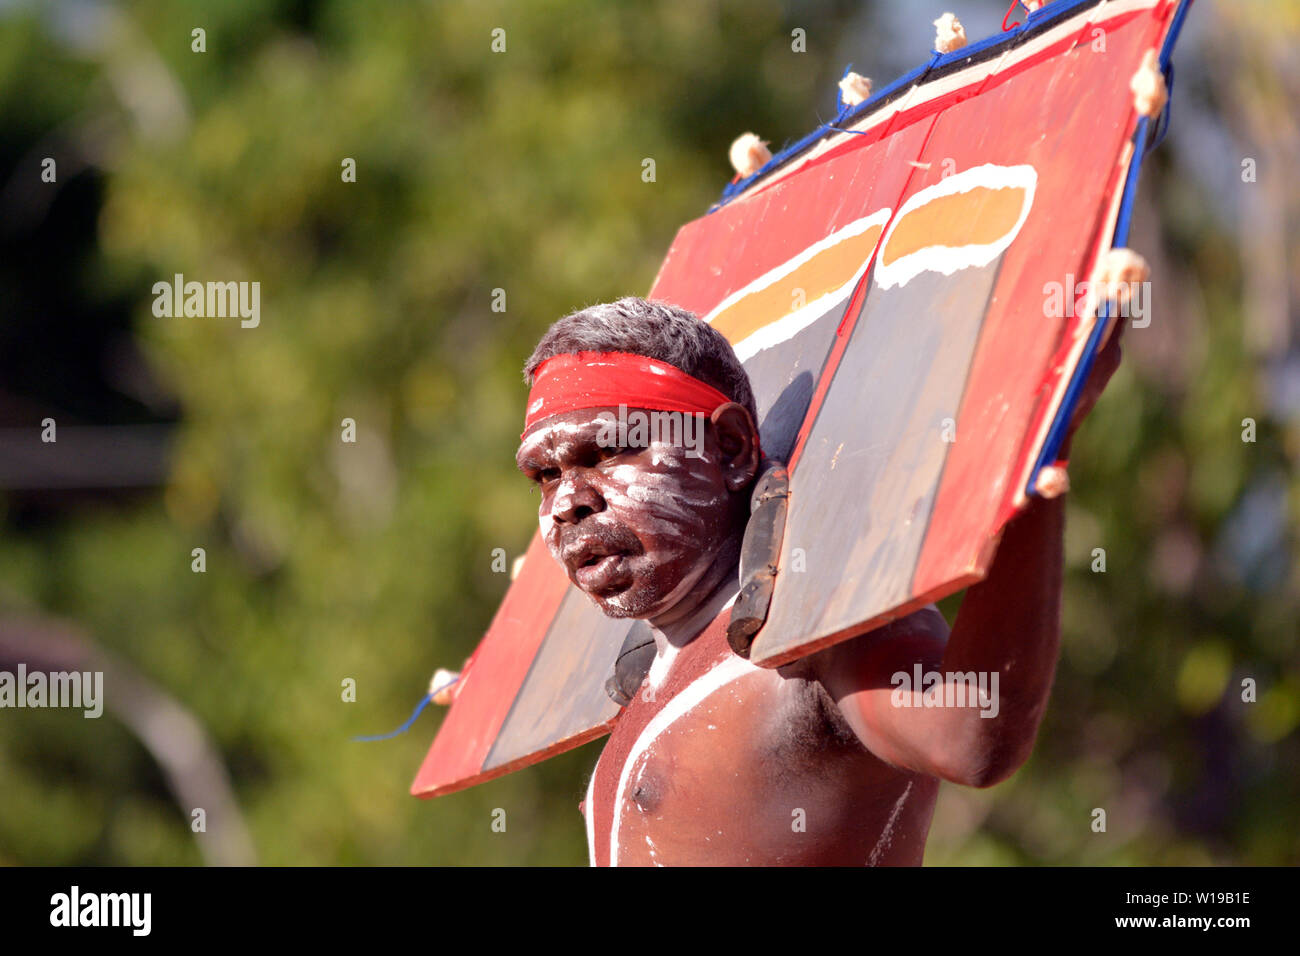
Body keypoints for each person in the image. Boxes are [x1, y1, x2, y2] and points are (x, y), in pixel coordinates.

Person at [505, 294, 1120, 866]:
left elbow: (972, 733)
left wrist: (1040, 457)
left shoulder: (817, 636)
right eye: (545, 476)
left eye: (607, 453)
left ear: (730, 449)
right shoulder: (647, 683)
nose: (567, 502)